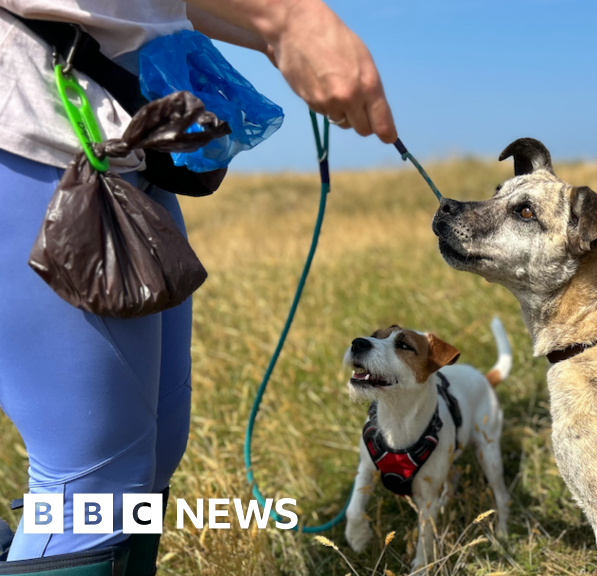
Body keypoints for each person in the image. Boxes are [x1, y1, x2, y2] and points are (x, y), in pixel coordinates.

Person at [0, 0, 395, 573]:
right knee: (91, 485)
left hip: (125, 145)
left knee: (154, 451)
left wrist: (272, 41)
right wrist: (289, 21)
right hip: (35, 131)